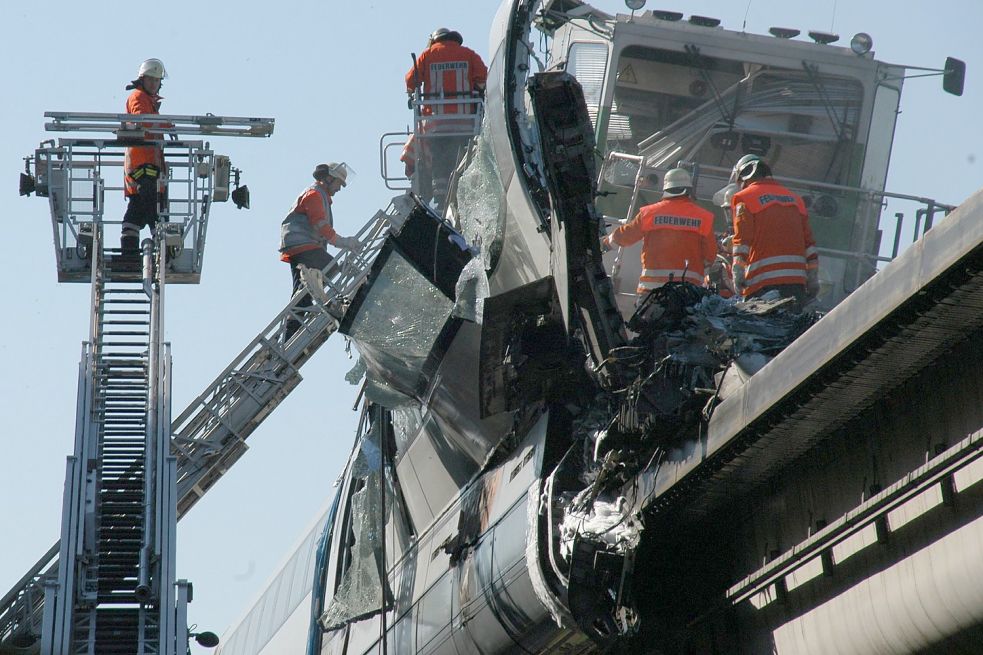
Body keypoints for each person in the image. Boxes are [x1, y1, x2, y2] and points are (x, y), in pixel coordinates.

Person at [602, 168, 717, 298]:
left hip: (651, 292)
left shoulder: (649, 213)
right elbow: (710, 255)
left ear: (666, 189)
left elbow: (627, 235)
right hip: (688, 292)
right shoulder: (704, 218)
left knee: (647, 318)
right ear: (689, 190)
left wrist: (605, 244)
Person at [405, 28, 488, 207]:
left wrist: (412, 92)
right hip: (465, 123)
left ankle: (441, 198)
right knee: (464, 160)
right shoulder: (469, 55)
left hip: (437, 124)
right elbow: (483, 80)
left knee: (439, 162)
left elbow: (411, 81)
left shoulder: (427, 55)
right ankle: (462, 193)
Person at [279, 163, 361, 341]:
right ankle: (324, 305)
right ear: (328, 178)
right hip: (303, 245)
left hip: (299, 246)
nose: (339, 188)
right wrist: (344, 242)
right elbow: (321, 226)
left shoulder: (319, 195)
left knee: (303, 293)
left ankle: (290, 333)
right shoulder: (315, 195)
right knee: (330, 270)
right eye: (338, 183)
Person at [728, 154, 820, 306]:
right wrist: (813, 278)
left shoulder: (745, 198)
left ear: (745, 175)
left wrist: (737, 273)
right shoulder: (796, 200)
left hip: (763, 284)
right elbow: (809, 245)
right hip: (796, 284)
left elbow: (742, 241)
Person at [121, 58, 168, 258]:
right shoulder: (138, 98)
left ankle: (133, 253)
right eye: (150, 79)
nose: (153, 83)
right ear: (142, 79)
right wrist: (167, 125)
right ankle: (159, 251)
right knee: (151, 211)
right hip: (143, 169)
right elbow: (143, 121)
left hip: (149, 170)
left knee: (141, 211)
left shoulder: (148, 101)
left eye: (156, 80)